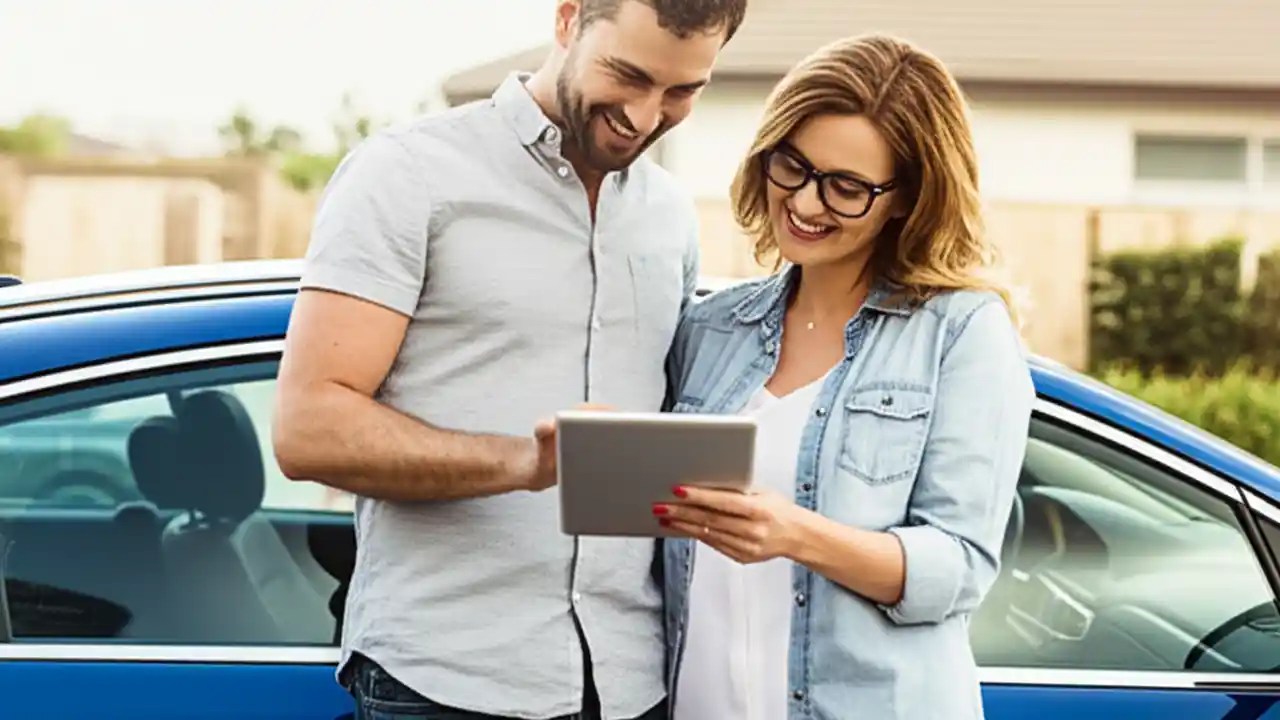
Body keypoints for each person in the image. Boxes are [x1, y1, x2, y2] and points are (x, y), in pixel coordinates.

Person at [271, 1, 747, 718]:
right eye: (628, 75)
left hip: (632, 684)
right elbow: (308, 428)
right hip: (447, 684)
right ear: (568, 20)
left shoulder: (668, 216)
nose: (646, 117)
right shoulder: (407, 175)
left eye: (682, 91)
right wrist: (527, 463)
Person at [655, 34, 1035, 720]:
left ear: (905, 199)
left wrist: (795, 535)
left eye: (847, 187)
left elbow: (957, 571)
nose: (805, 201)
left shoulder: (962, 333)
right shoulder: (712, 330)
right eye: (792, 166)